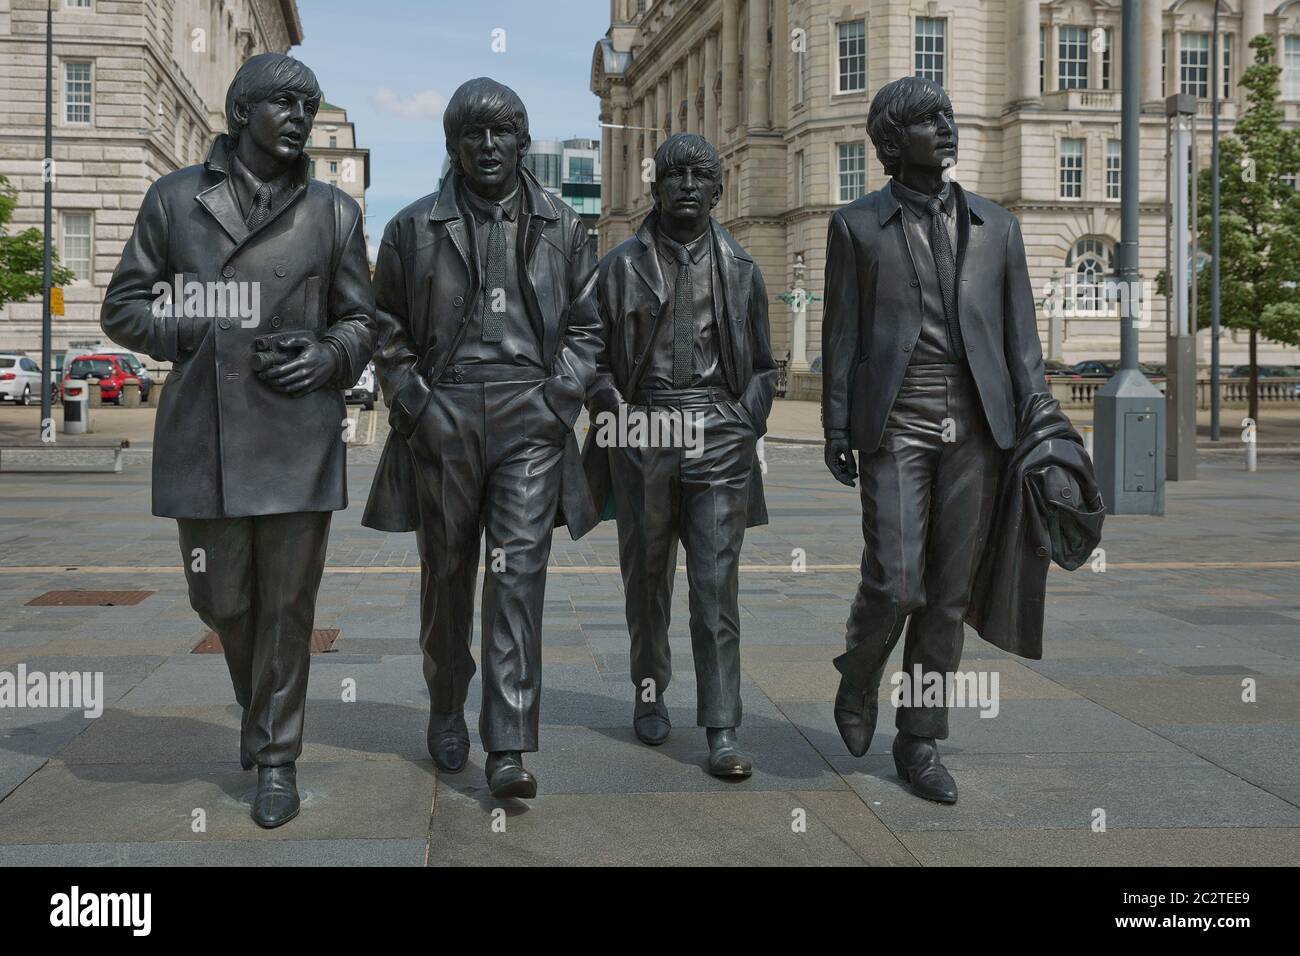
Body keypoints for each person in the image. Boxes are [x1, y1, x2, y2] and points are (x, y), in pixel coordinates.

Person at [101, 53, 376, 827]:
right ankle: (262, 719)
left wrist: (330, 354)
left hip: (297, 433)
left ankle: (277, 757)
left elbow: (364, 320)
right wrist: (199, 322)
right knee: (220, 596)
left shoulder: (332, 211)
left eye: (310, 107)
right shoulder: (176, 199)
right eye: (285, 104)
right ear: (241, 110)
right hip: (205, 434)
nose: (300, 118)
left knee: (289, 604)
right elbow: (124, 308)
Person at [362, 78, 601, 800]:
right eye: (473, 134)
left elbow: (590, 329)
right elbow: (384, 328)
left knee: (518, 578)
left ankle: (507, 742)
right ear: (452, 145)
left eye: (502, 133)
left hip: (532, 419)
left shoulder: (566, 226)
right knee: (447, 577)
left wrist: (560, 397)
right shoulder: (410, 229)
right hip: (446, 415)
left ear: (522, 143)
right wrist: (416, 405)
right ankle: (445, 701)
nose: (489, 146)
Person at [821, 76, 1049, 804]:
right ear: (891, 142)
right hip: (897, 417)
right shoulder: (855, 226)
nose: (945, 127)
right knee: (895, 579)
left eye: (947, 115)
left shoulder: (998, 228)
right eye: (926, 121)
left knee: (948, 593)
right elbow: (843, 336)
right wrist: (835, 423)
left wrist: (1038, 426)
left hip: (979, 423)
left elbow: (1023, 347)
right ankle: (859, 673)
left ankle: (919, 739)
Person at [581, 133, 776, 778]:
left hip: (718, 430)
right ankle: (649, 691)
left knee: (716, 586)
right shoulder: (618, 266)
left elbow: (764, 367)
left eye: (701, 175)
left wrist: (746, 419)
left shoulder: (742, 267)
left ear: (718, 190)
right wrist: (613, 407)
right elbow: (595, 356)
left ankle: (721, 725)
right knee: (647, 578)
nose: (688, 185)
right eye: (675, 174)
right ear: (654, 186)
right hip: (645, 431)